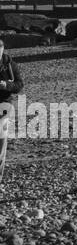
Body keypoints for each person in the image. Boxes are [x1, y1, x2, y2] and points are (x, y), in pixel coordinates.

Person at [0, 39, 25, 186]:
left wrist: (7, 86)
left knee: (1, 141)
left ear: (2, 49)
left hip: (4, 105)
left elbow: (19, 85)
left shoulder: (10, 65)